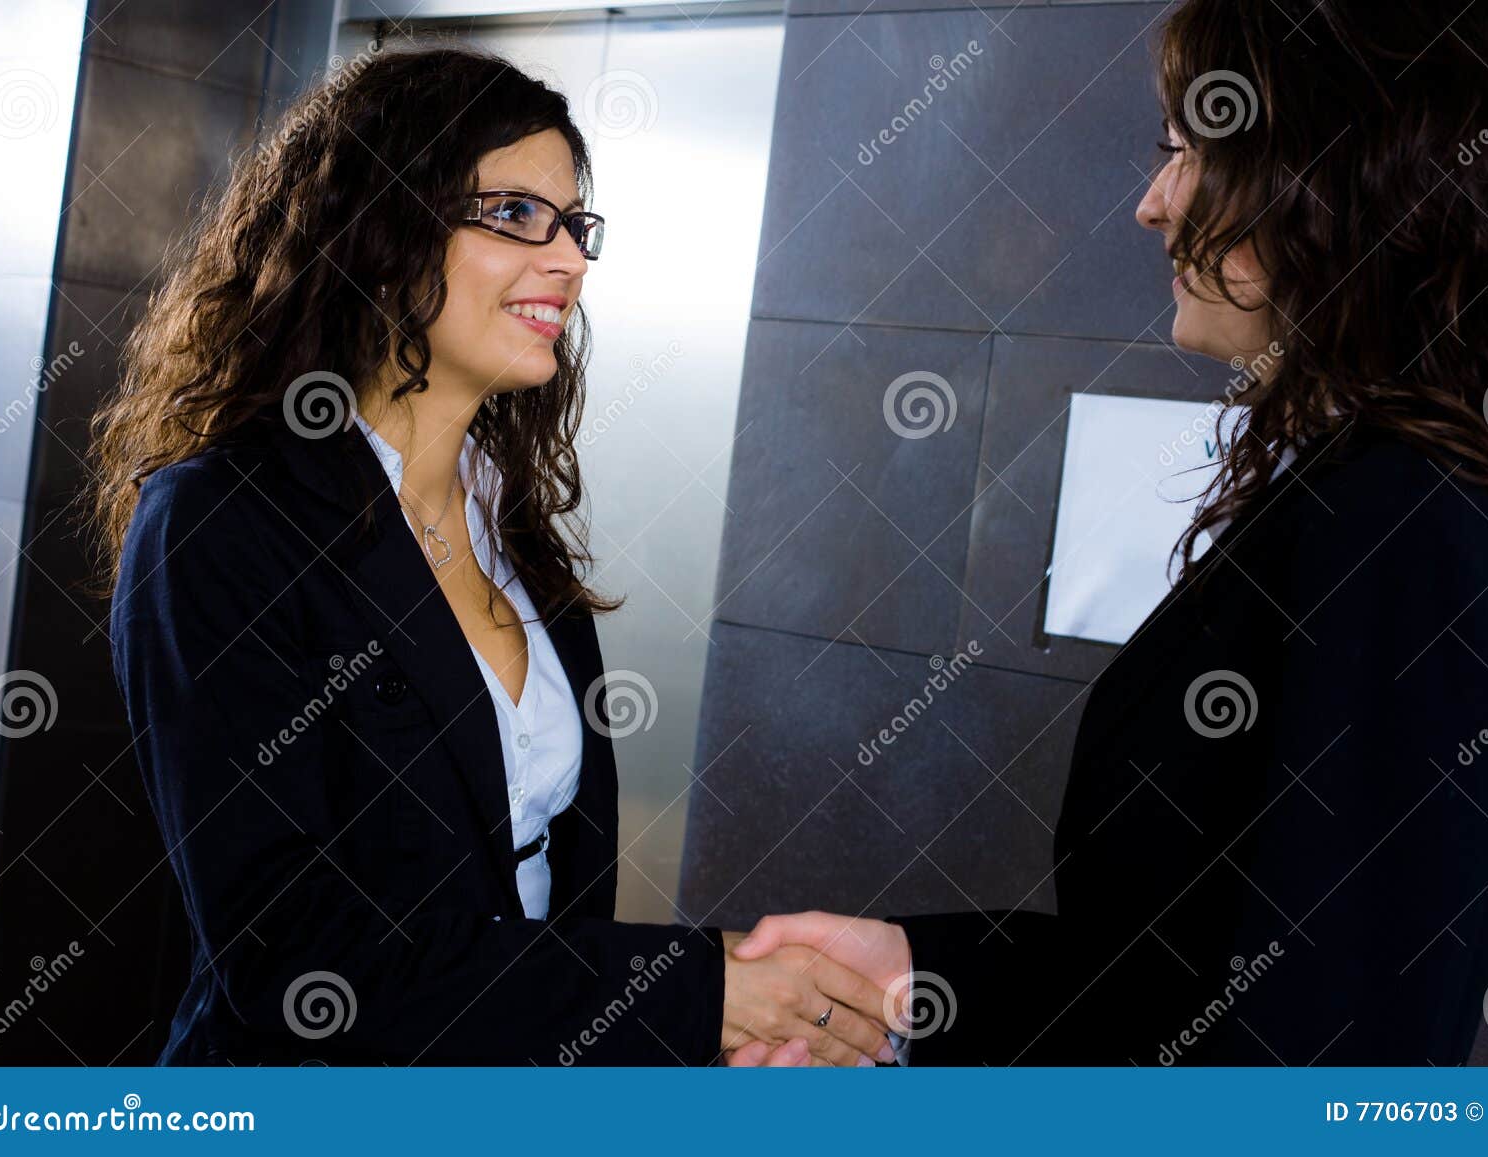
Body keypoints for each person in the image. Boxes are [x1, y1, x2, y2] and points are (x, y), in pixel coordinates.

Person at [733, 0, 1488, 1066]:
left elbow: (1319, 1053)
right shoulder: (1361, 489)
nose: (1152, 204)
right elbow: (1176, 973)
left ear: (1328, 172)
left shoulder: (1405, 520)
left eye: (1187, 152)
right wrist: (912, 977)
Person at [89, 46, 892, 1067]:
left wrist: (676, 1007)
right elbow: (292, 958)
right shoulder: (220, 519)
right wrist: (690, 993)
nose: (570, 261)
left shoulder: (508, 518)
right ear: (379, 229)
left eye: (574, 225)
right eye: (515, 213)